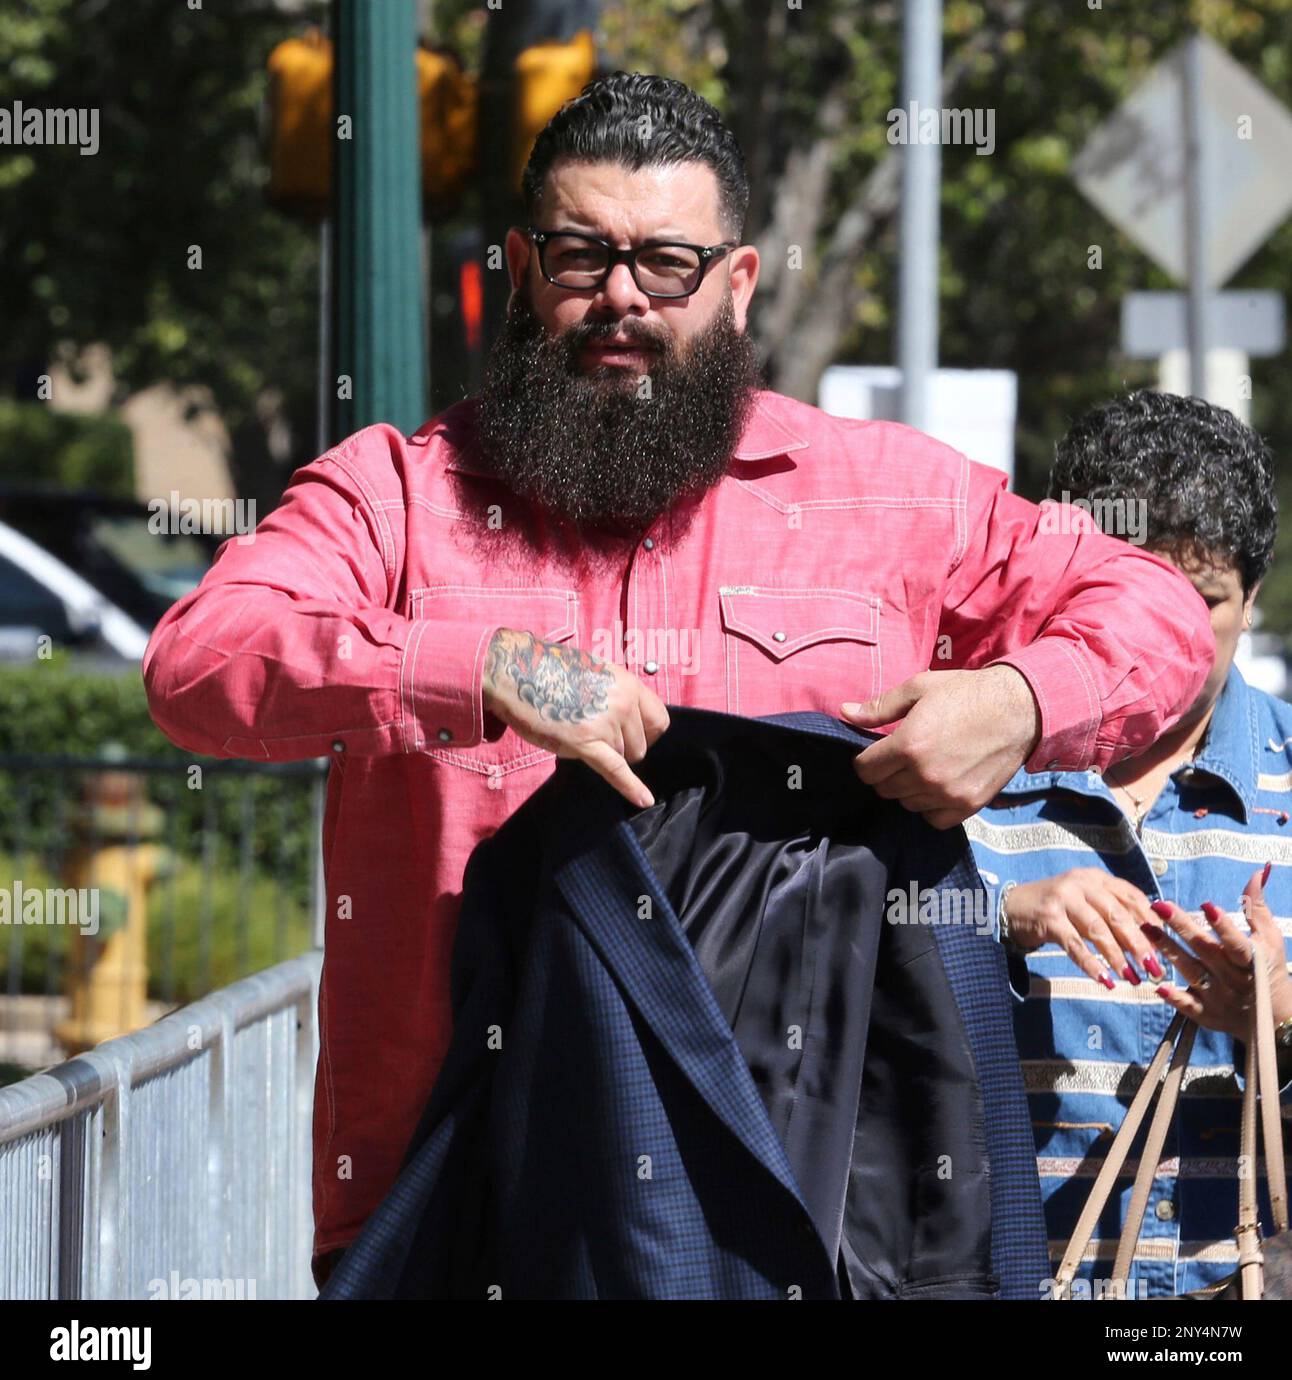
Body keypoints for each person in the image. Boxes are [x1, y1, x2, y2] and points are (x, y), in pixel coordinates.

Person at [142, 73, 1213, 1291]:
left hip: (796, 1212)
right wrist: (481, 665)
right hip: (453, 1209)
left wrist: (1016, 704)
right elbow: (200, 658)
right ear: (515, 266)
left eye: (665, 264)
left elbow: (1159, 613)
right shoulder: (392, 495)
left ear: (737, 282)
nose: (619, 299)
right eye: (578, 255)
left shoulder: (895, 501)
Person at [965, 390, 1292, 1297]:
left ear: (1253, 599)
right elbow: (834, 1004)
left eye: (1207, 600)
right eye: (1136, 596)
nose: (1172, 637)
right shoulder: (961, 767)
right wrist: (1000, 921)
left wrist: (1277, 1012)